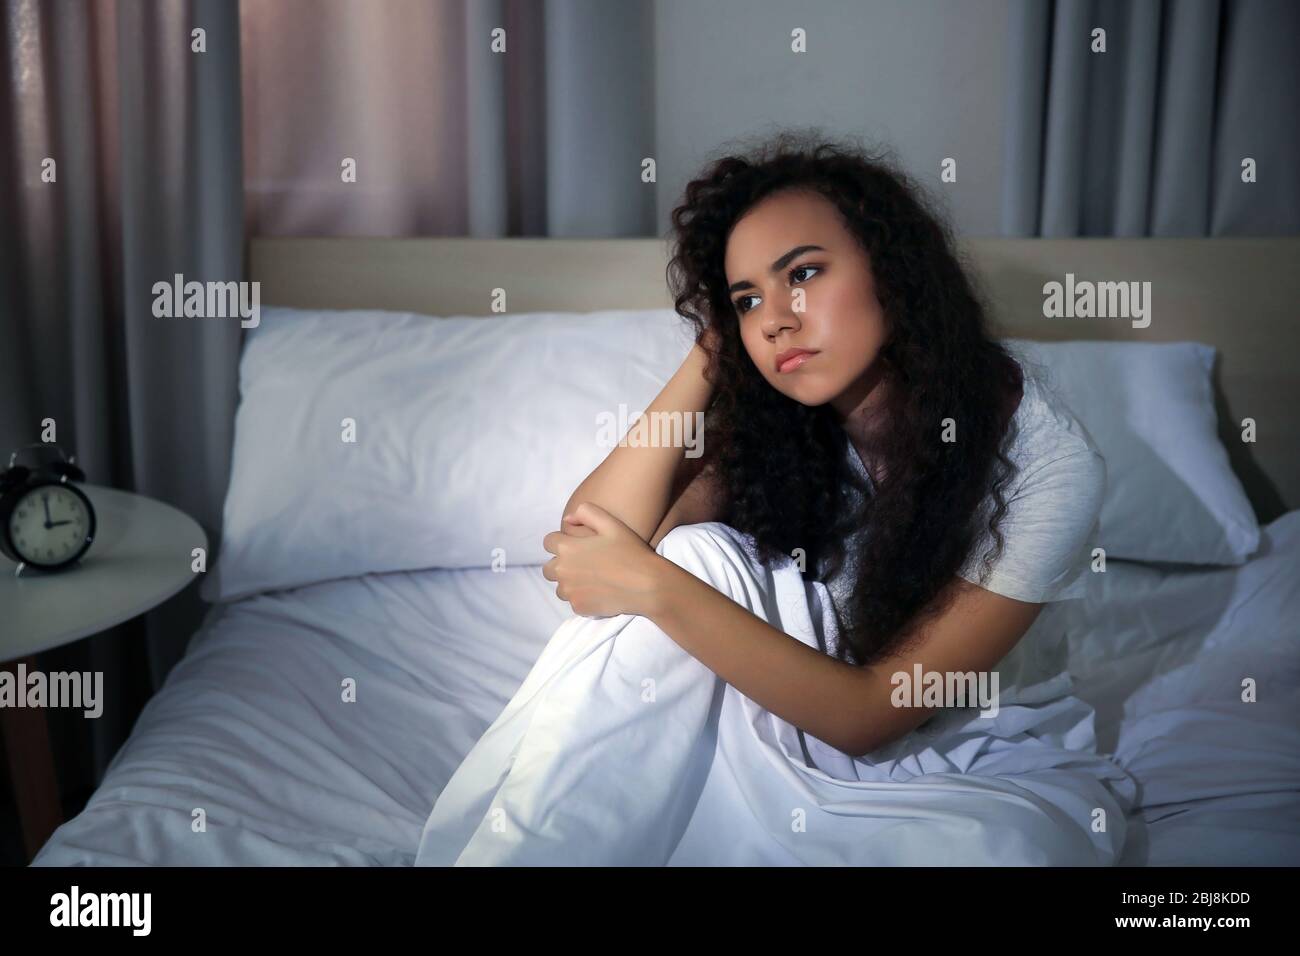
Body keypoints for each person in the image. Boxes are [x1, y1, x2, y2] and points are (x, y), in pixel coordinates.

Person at [543, 130, 1106, 759]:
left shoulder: (1048, 463)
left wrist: (653, 585)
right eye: (748, 299)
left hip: (968, 740)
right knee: (697, 552)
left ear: (892, 271)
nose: (776, 319)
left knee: (677, 569)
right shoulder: (776, 419)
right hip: (775, 718)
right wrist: (716, 347)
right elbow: (592, 543)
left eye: (803, 273)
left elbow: (868, 716)